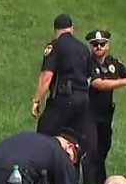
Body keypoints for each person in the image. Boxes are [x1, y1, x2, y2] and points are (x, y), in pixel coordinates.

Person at [32, 13, 94, 174]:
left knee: (45, 133)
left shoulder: (55, 46)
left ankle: (42, 173)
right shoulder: (83, 48)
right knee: (73, 137)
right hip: (83, 98)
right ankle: (72, 177)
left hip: (64, 96)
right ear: (72, 29)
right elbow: (89, 77)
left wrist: (36, 100)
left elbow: (47, 75)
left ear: (55, 30)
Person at [84, 29, 126, 184]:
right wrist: (125, 82)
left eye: (102, 44)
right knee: (91, 147)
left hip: (106, 113)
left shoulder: (114, 63)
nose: (98, 47)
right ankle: (88, 183)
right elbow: (98, 84)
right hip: (89, 112)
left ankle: (100, 181)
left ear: (107, 46)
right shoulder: (87, 63)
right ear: (91, 46)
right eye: (95, 44)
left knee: (104, 146)